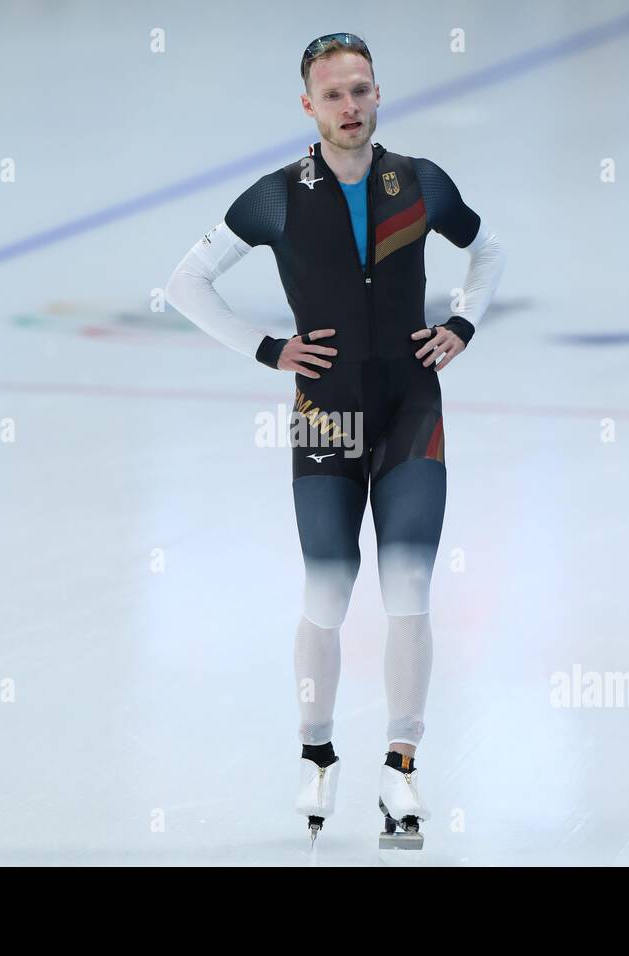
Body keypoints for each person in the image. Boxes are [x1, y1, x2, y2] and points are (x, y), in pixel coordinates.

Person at [165, 32, 506, 848]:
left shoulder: (420, 183)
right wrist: (267, 348)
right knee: (327, 589)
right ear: (308, 106)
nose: (350, 107)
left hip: (410, 409)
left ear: (379, 93)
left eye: (361, 90)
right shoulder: (278, 198)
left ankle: (402, 766)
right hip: (326, 414)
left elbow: (485, 250)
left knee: (410, 588)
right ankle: (317, 753)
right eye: (333, 95)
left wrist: (462, 321)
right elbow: (185, 283)